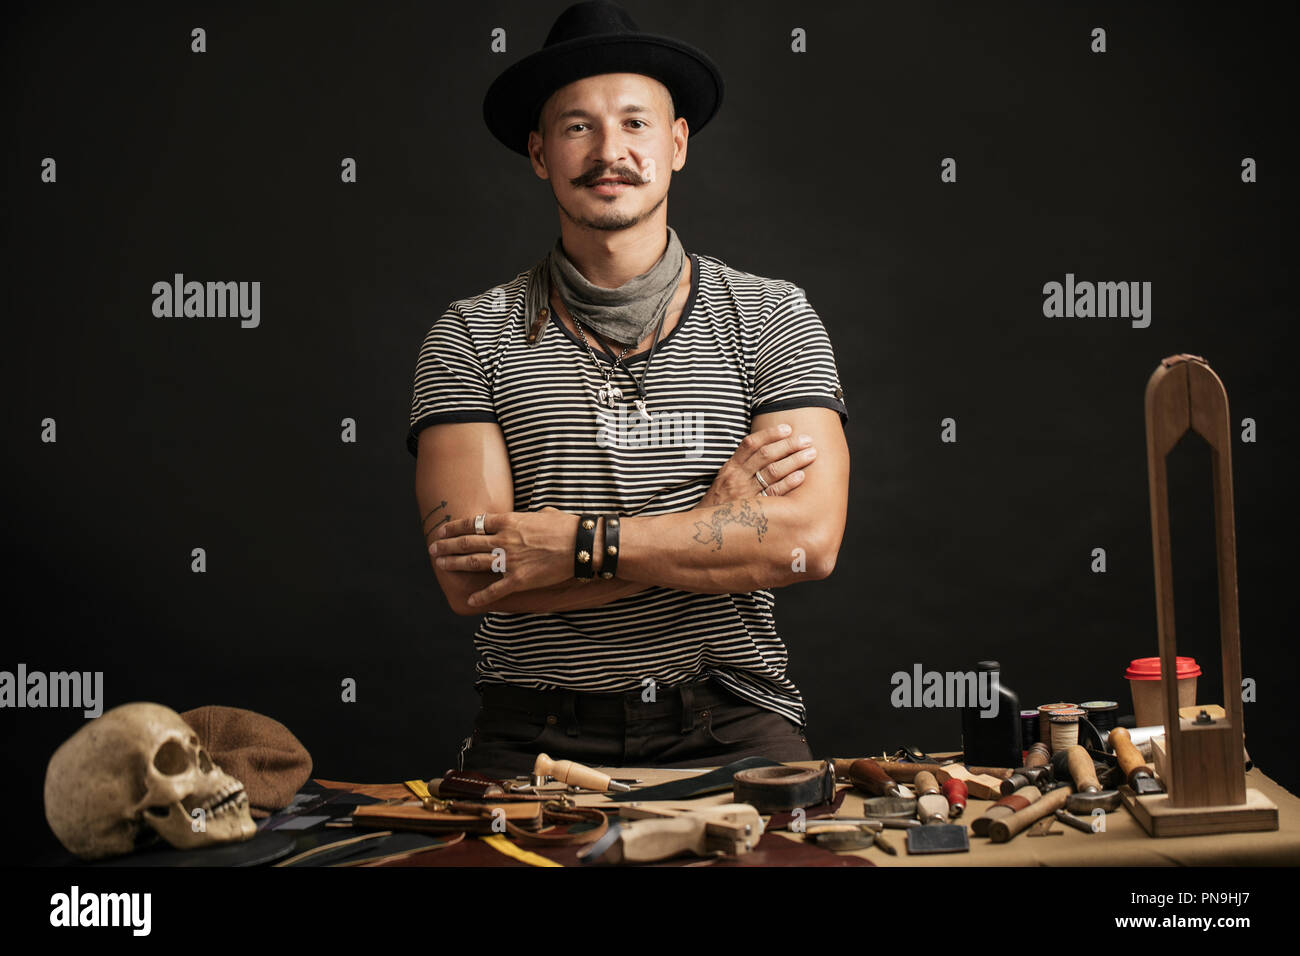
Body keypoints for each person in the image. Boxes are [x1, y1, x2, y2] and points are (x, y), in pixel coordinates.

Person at [407, 0, 850, 778]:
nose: (610, 150)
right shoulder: (469, 333)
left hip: (733, 715)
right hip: (530, 724)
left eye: (637, 124)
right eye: (578, 126)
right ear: (539, 153)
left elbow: (805, 544)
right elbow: (477, 577)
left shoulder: (771, 315)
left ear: (677, 144)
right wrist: (713, 530)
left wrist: (571, 545)